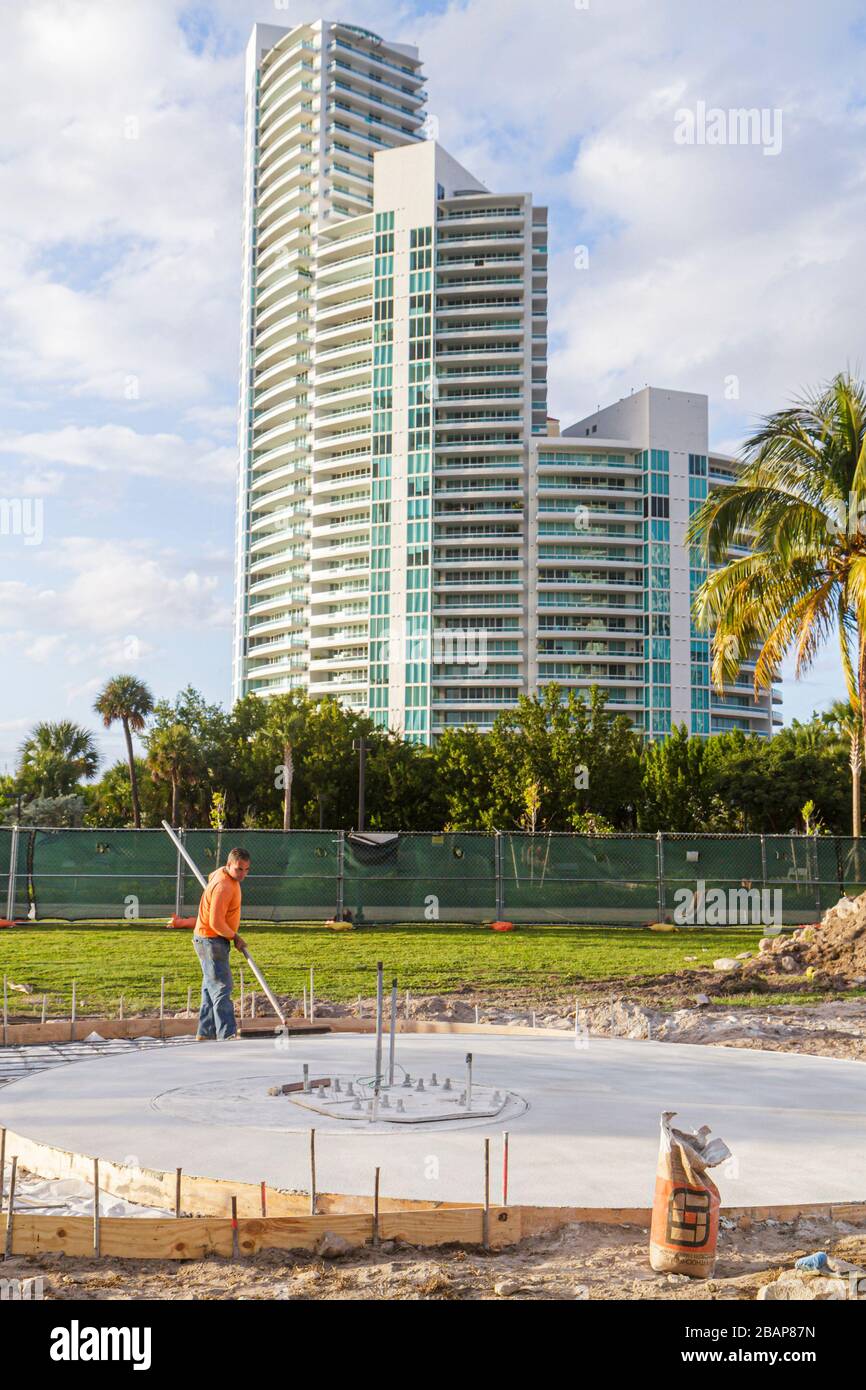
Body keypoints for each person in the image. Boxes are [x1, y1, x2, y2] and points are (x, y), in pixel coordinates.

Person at [193, 847, 250, 1041]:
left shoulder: (220, 874)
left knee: (210, 988)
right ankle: (227, 1034)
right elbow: (215, 923)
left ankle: (205, 1032)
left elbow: (211, 875)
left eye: (246, 869)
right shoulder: (224, 886)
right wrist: (235, 937)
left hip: (209, 938)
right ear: (228, 866)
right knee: (222, 987)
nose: (242, 874)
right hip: (212, 940)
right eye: (239, 869)